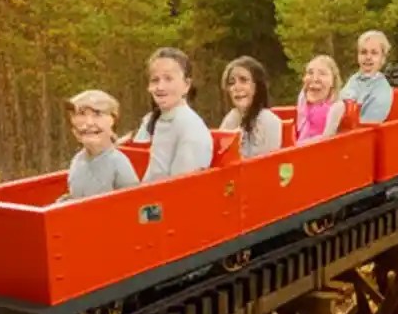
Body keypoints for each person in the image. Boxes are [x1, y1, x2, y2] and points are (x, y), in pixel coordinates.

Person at [129, 47, 213, 182]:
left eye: (168, 79)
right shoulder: (149, 121)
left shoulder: (191, 127)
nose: (160, 87)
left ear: (186, 85)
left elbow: (182, 184)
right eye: (155, 80)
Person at [61, 90, 139, 202]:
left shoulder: (118, 163)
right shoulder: (77, 161)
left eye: (97, 114)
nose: (89, 123)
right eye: (81, 114)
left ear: (113, 122)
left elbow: (133, 202)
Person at [217, 56, 282, 158]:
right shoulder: (232, 118)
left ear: (257, 86)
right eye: (231, 83)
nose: (237, 87)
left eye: (243, 80)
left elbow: (267, 163)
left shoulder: (267, 120)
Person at [340, 30, 393, 123]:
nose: (368, 57)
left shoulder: (382, 90)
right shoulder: (354, 79)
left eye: (374, 53)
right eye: (363, 52)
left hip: (361, 130)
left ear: (382, 58)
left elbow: (369, 124)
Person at [295, 55, 346, 143]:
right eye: (310, 72)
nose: (315, 79)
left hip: (319, 149)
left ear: (333, 81)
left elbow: (326, 139)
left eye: (322, 73)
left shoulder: (336, 106)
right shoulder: (303, 99)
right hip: (298, 145)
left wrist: (297, 145)